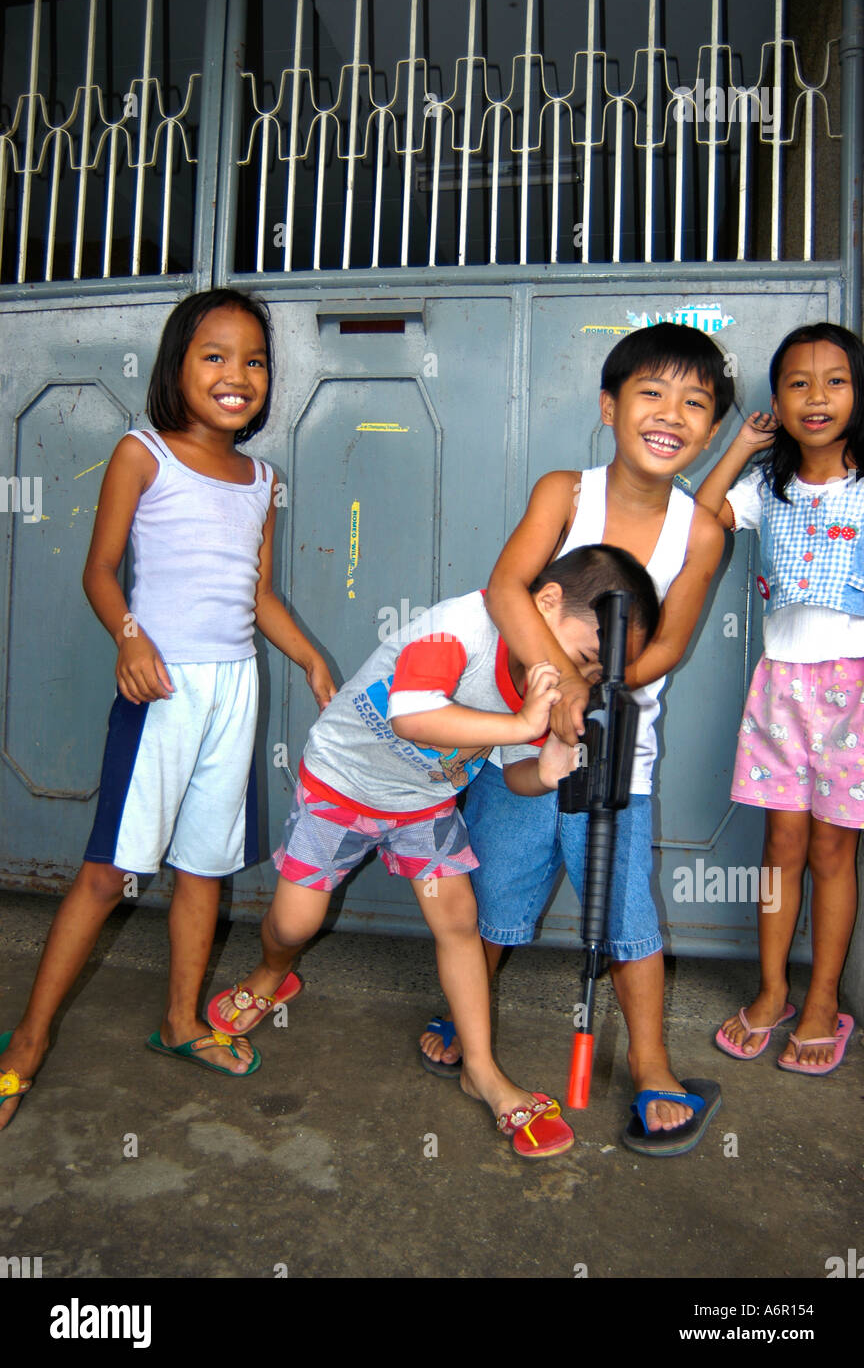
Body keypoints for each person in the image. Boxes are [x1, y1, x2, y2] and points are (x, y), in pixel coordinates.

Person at [0, 288, 336, 1130]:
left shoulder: (262, 478)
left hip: (234, 688)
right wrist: (129, 637)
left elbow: (259, 596)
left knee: (204, 867)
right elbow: (100, 569)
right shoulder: (141, 453)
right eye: (214, 356)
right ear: (176, 366)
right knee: (108, 871)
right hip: (162, 688)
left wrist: (311, 659)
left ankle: (182, 1022)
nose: (237, 375)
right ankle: (25, 1047)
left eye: (254, 360)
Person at [206, 545, 658, 1157]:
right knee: (294, 922)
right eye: (582, 658)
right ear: (546, 603)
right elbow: (413, 718)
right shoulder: (460, 626)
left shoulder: (537, 689)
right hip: (341, 785)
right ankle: (271, 971)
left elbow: (514, 769)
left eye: (596, 674)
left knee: (459, 920)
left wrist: (547, 770)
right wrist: (525, 725)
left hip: (425, 806)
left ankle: (483, 1072)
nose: (583, 678)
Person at [419, 322, 735, 1156]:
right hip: (517, 748)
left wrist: (594, 691)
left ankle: (654, 1063)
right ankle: (469, 1021)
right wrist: (556, 681)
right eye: (652, 394)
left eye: (696, 403)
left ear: (712, 429)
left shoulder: (702, 532)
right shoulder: (566, 492)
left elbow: (663, 647)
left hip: (619, 764)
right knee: (493, 899)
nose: (672, 414)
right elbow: (506, 588)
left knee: (629, 918)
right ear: (610, 406)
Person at [697, 322, 863, 1073]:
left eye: (835, 380)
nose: (817, 397)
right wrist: (741, 447)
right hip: (781, 686)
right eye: (798, 383)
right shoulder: (769, 486)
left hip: (854, 687)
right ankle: (773, 992)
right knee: (781, 847)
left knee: (833, 848)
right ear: (778, 400)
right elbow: (704, 520)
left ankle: (824, 999)